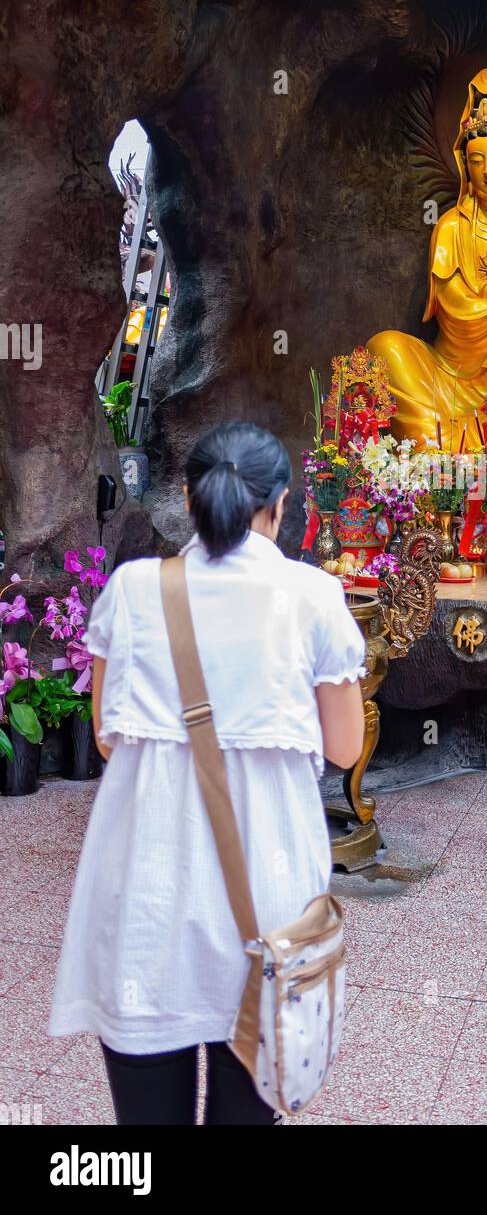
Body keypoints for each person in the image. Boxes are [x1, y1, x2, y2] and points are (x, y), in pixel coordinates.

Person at [48, 422, 366, 1125]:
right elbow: (345, 749)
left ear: (187, 499)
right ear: (280, 507)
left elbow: (104, 736)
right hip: (269, 900)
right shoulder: (312, 598)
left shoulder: (133, 591)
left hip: (146, 895)